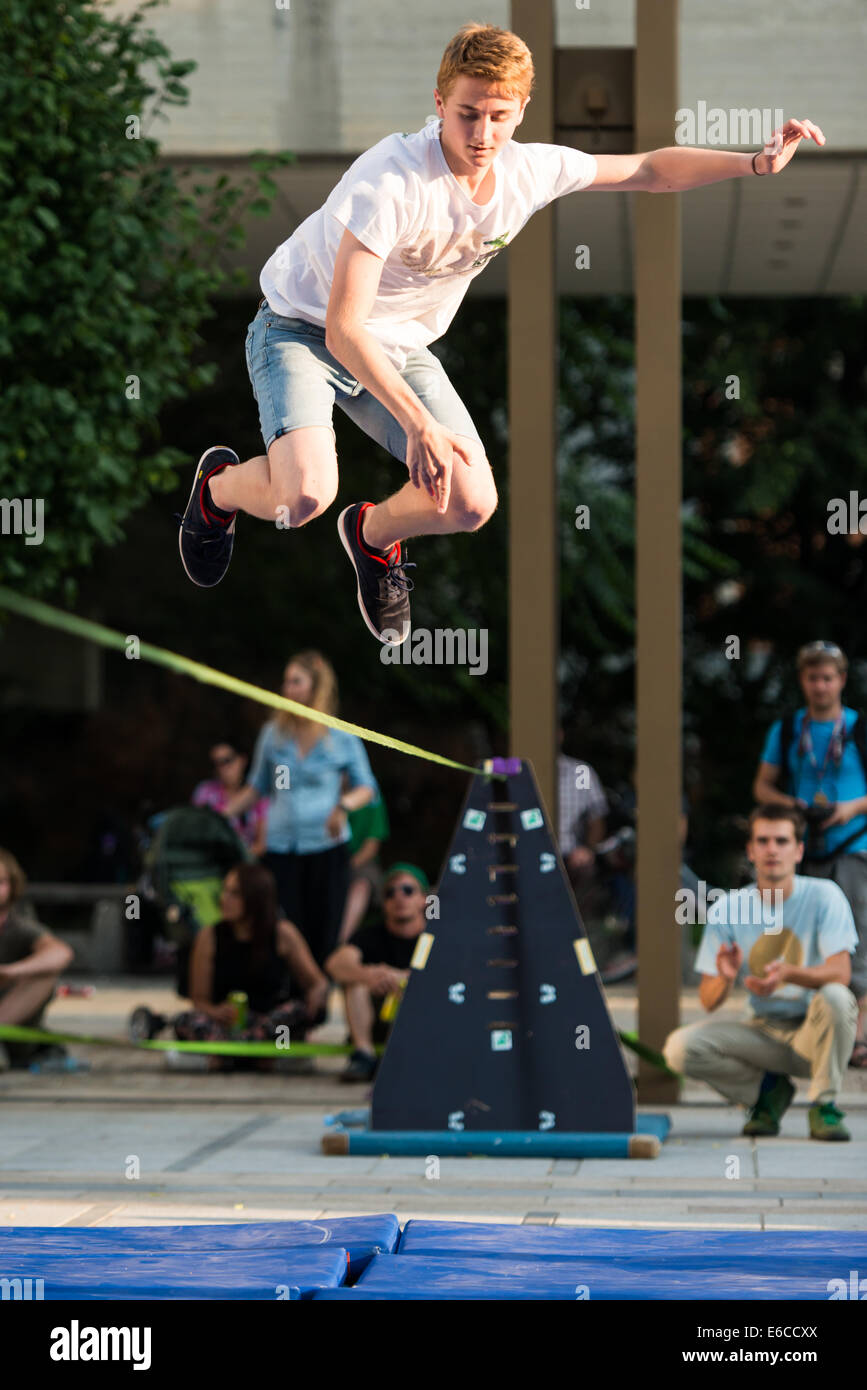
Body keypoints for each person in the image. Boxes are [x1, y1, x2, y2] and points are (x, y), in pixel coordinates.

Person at [177, 22, 824, 643]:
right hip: (302, 329)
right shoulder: (391, 179)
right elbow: (345, 330)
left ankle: (373, 536)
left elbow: (649, 170)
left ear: (520, 111)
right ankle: (217, 491)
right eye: (465, 114)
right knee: (305, 493)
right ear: (438, 103)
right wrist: (420, 426)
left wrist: (753, 165)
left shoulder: (529, 171)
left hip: (397, 347)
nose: (481, 133)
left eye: (498, 116)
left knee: (468, 504)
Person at [663, 805, 858, 1142]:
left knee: (837, 997)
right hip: (762, 1033)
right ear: (751, 851)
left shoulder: (825, 896)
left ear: (798, 851)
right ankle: (767, 1094)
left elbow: (841, 972)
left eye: (781, 841)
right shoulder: (727, 907)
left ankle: (824, 1105)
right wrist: (724, 976)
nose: (772, 849)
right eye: (763, 841)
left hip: (816, 1032)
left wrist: (788, 974)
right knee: (679, 1048)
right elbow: (708, 1002)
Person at [753, 641, 867, 1067]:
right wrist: (791, 807)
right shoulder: (787, 728)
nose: (820, 686)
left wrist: (850, 809)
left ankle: (858, 1036)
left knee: (856, 935)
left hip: (854, 845)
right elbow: (761, 786)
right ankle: (810, 1027)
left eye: (828, 678)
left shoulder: (858, 728)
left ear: (841, 681)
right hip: (804, 847)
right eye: (813, 678)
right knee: (802, 934)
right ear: (803, 681)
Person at [224, 651, 376, 965]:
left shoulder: (341, 735)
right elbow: (256, 787)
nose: (287, 688)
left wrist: (342, 806)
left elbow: (367, 788)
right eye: (286, 681)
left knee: (324, 932)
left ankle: (315, 1004)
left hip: (326, 847)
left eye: (296, 681)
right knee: (284, 929)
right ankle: (289, 1004)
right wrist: (221, 815)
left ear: (315, 687)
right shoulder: (273, 734)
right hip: (281, 848)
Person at [173, 863, 329, 1061]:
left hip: (269, 1021)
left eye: (234, 894)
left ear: (255, 899)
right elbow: (199, 999)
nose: (224, 899)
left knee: (296, 1013)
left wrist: (316, 995)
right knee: (185, 1020)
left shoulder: (282, 933)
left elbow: (317, 982)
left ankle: (234, 1053)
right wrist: (216, 1011)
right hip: (226, 1025)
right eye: (225, 891)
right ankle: (248, 1052)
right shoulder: (209, 936)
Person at [325, 862, 429, 1082]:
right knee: (355, 983)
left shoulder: (433, 937)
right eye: (391, 893)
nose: (399, 897)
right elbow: (336, 964)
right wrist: (372, 975)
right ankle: (364, 1054)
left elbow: (449, 975)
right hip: (376, 1020)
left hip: (420, 1024)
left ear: (424, 899)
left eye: (408, 891)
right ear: (384, 902)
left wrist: (399, 978)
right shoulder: (371, 934)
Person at [0, 847, 74, 1070]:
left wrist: (10, 972)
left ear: (12, 886)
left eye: (1, 881)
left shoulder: (19, 928)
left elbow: (61, 953)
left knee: (44, 974)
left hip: (11, 1027)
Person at [337, 778, 390, 944]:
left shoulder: (371, 795)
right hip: (324, 860)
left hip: (358, 863)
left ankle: (339, 943)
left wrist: (342, 869)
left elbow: (371, 847)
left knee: (361, 885)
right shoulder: (319, 793)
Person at [191, 741, 269, 855]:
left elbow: (262, 844)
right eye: (216, 763)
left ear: (243, 760)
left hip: (247, 864)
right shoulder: (205, 792)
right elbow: (196, 834)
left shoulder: (258, 794)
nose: (222, 768)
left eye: (227, 761)